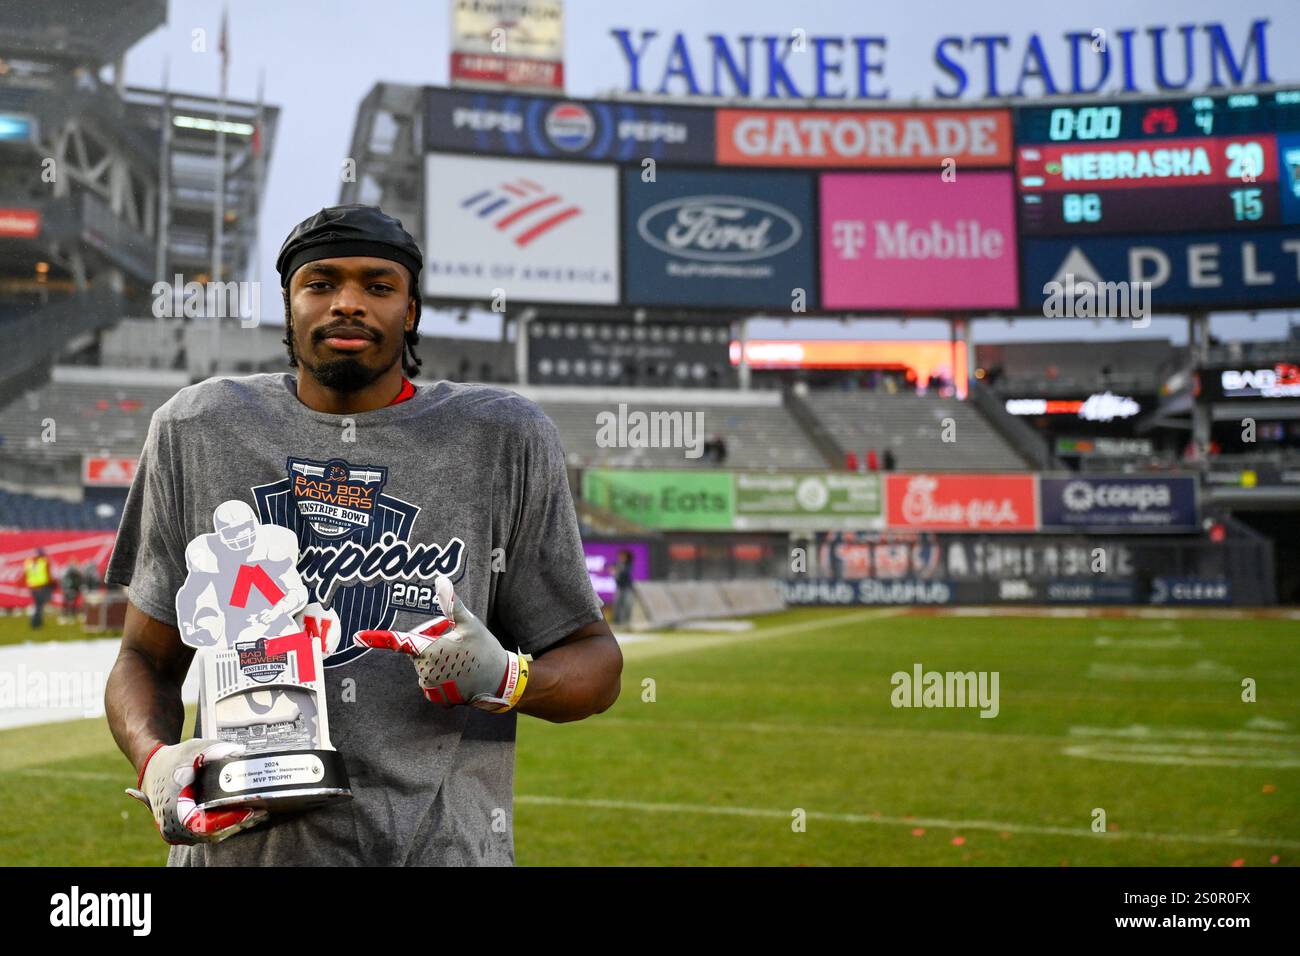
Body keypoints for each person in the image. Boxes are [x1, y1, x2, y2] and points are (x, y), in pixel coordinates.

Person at [104, 204, 623, 865]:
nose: (348, 304)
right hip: (240, 852)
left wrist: (507, 677)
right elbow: (144, 661)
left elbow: (597, 667)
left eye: (379, 286)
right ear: (289, 303)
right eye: (320, 283)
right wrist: (154, 761)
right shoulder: (198, 429)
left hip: (438, 850)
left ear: (411, 310)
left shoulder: (502, 437)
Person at [24, 548, 52, 629]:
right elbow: (48, 575)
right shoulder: (43, 562)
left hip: (32, 587)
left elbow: (25, 575)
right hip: (41, 587)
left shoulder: (29, 562)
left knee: (37, 605)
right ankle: (35, 622)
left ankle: (37, 622)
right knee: (39, 606)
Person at [611, 549, 635, 625]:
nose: (621, 557)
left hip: (627, 588)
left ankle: (626, 622)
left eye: (623, 555)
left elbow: (625, 573)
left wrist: (617, 571)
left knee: (627, 605)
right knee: (617, 604)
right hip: (619, 587)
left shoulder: (628, 564)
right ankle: (616, 622)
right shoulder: (617, 564)